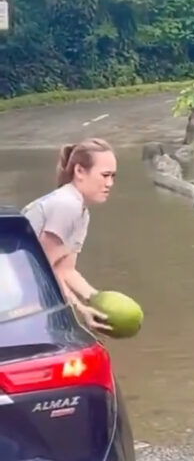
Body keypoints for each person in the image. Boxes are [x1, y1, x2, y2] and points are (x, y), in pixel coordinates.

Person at [22, 138, 117, 333]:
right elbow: (42, 271)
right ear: (80, 171)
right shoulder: (66, 205)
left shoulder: (82, 211)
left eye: (113, 176)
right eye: (105, 175)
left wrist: (99, 300)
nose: (110, 183)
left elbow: (65, 271)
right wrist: (80, 309)